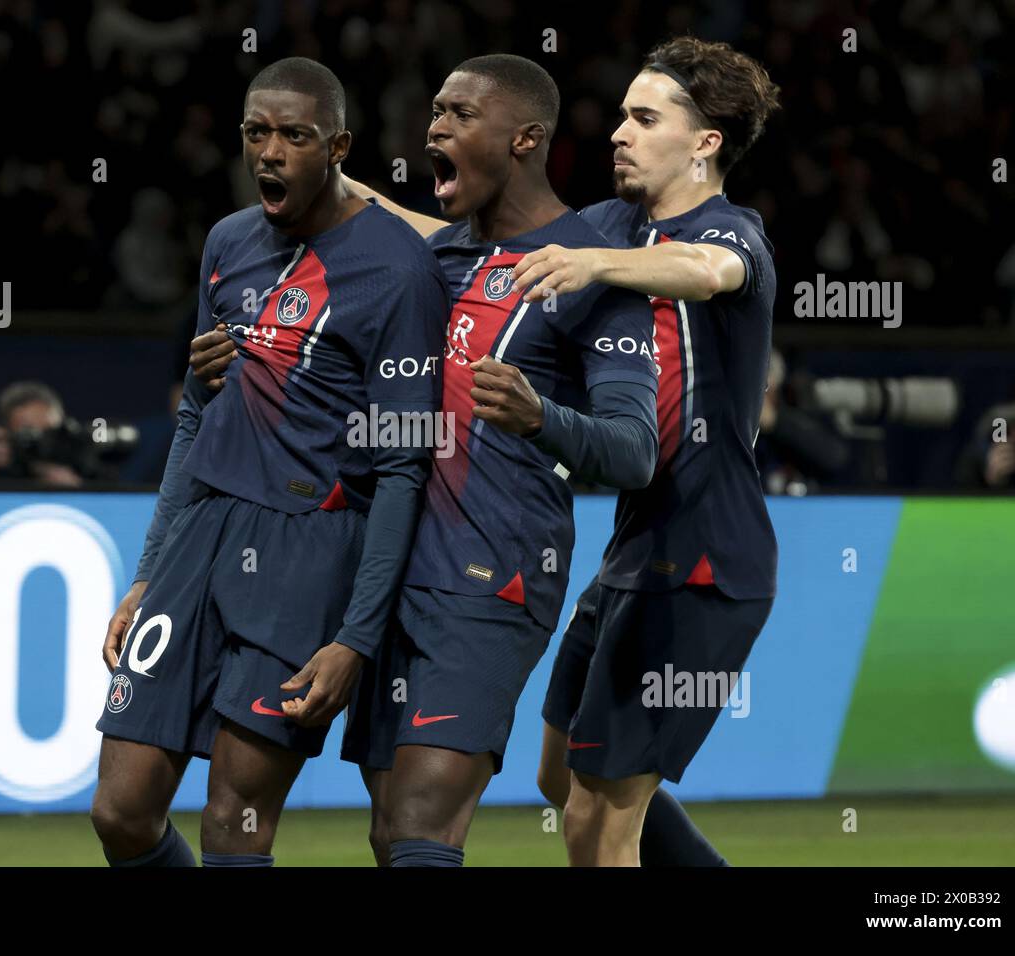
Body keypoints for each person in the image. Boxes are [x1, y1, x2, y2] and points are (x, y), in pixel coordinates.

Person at [193, 54, 659, 867]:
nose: (434, 127)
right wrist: (250, 364)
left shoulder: (587, 272)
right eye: (434, 110)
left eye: (458, 114)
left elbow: (635, 451)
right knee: (390, 833)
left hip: (490, 575)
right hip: (382, 573)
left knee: (417, 824)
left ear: (524, 138)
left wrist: (541, 416)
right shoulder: (431, 261)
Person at [340, 36, 781, 866]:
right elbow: (465, 240)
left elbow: (707, 271)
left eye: (645, 118)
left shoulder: (729, 233)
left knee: (597, 820)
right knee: (558, 778)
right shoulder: (611, 225)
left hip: (706, 555)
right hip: (634, 548)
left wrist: (593, 262)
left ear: (706, 142)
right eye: (621, 114)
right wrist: (359, 200)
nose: (619, 131)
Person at [90, 57, 448, 868]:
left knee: (236, 818)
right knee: (120, 810)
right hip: (200, 539)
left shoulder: (397, 270)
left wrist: (356, 637)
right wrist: (149, 572)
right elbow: (193, 421)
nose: (272, 152)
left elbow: (402, 470)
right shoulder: (227, 244)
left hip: (308, 549)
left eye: (296, 135)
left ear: (338, 146)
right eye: (258, 132)